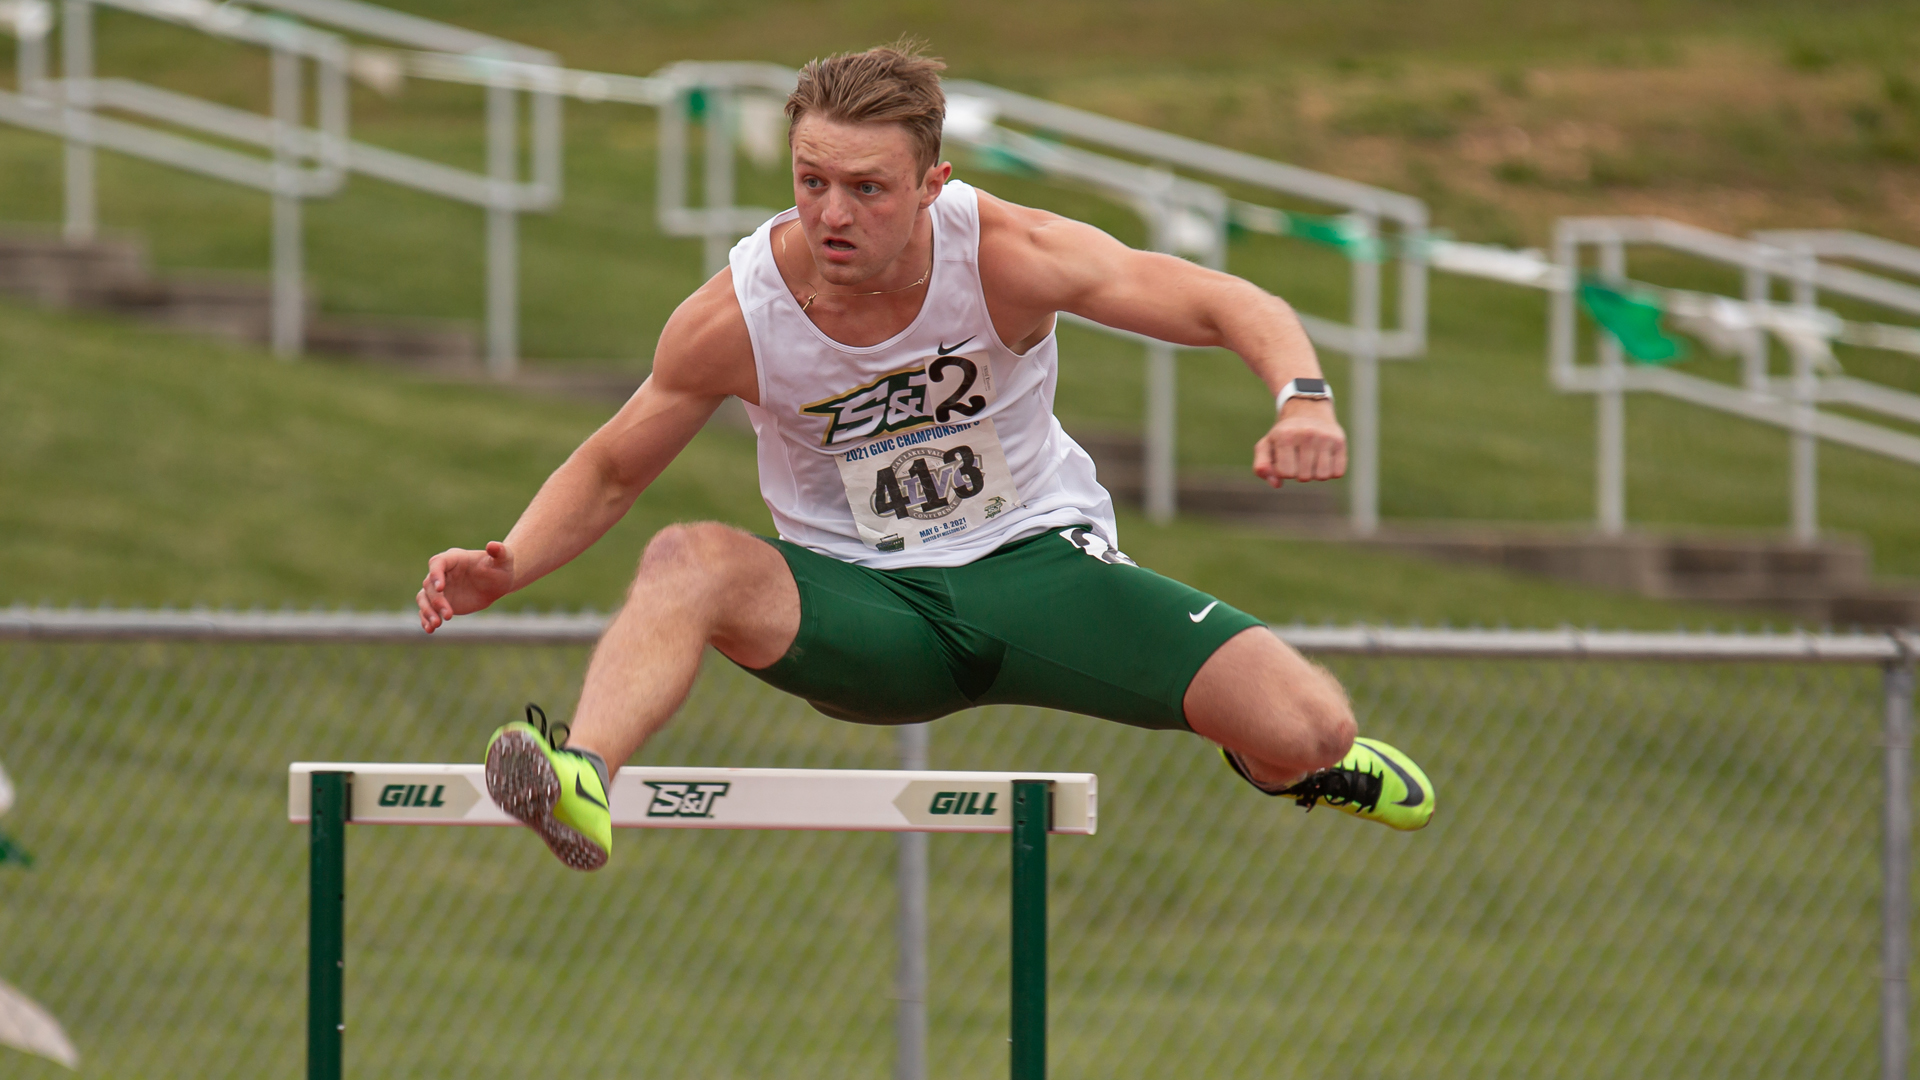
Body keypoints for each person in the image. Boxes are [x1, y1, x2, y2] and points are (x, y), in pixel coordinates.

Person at [416, 43, 1433, 872]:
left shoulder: (1006, 253)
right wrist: (510, 562)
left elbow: (1222, 300)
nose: (832, 216)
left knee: (1309, 726)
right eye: (811, 183)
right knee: (689, 557)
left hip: (1039, 564)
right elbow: (610, 470)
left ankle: (1289, 769)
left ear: (931, 184)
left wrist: (1301, 395)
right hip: (865, 606)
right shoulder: (736, 317)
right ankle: (583, 777)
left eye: (867, 189)